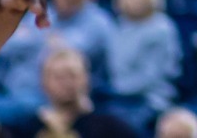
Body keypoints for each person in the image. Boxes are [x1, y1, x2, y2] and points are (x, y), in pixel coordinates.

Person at [0, 0, 118, 100]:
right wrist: (45, 40)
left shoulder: (98, 21)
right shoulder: (42, 13)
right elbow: (5, 46)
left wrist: (32, 39)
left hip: (58, 101)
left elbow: (66, 52)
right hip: (14, 92)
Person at [9, 45, 138, 138]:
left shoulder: (110, 126)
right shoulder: (29, 127)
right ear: (44, 83)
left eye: (72, 75)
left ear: (87, 80)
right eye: (59, 77)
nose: (66, 83)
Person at [106, 0, 180, 114]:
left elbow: (151, 76)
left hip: (151, 100)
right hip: (118, 97)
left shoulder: (162, 28)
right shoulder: (117, 27)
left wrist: (116, 89)